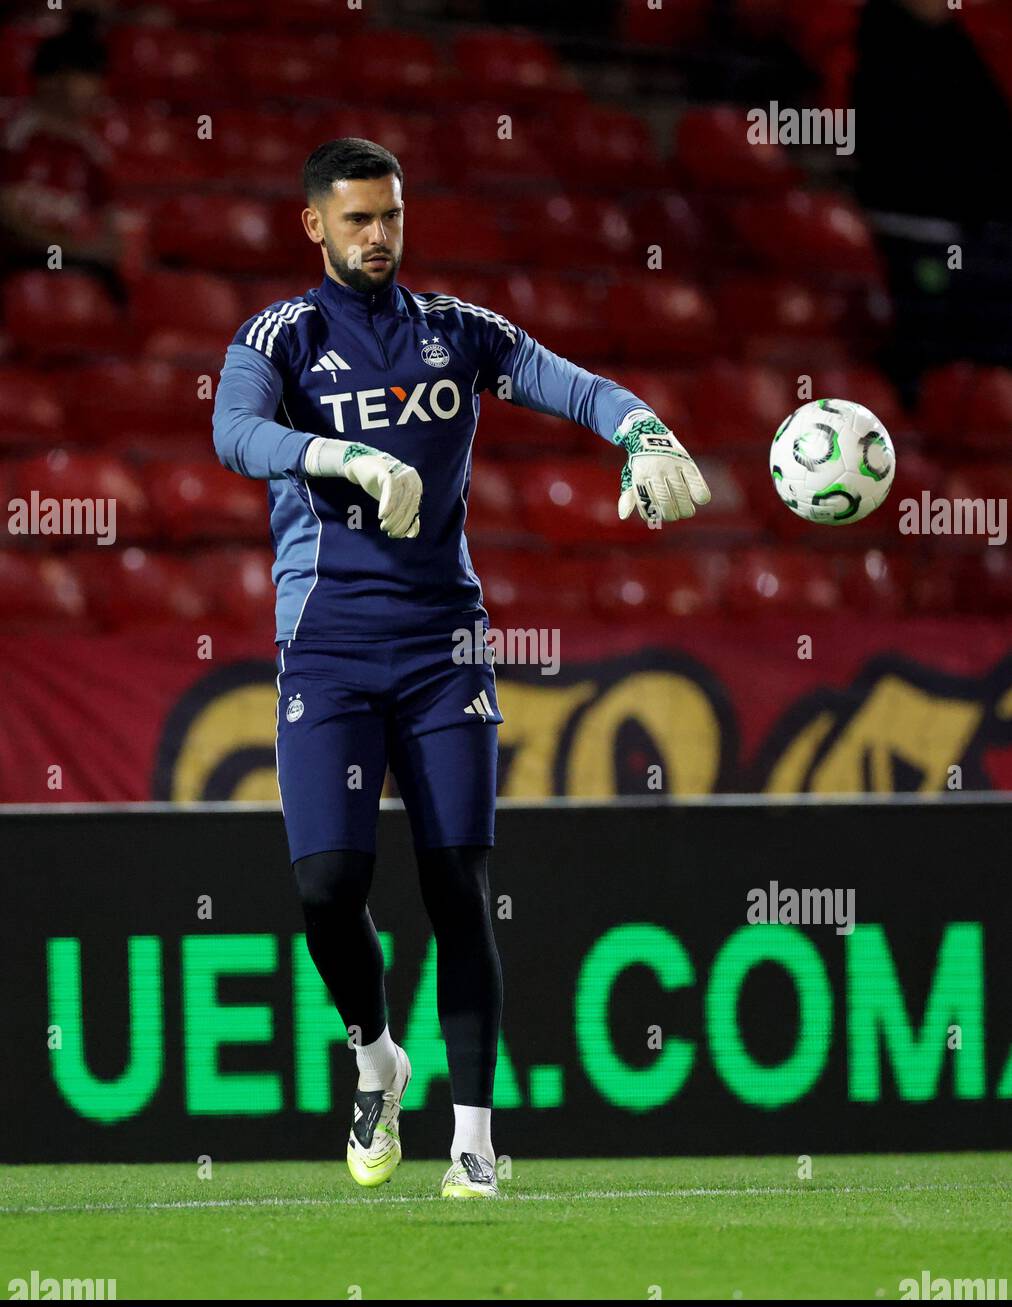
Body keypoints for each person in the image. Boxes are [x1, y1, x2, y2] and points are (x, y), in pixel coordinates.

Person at [212, 137, 709, 1198]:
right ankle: (375, 1059)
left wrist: (641, 429)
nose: (378, 235)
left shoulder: (457, 330)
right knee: (327, 887)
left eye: (390, 215)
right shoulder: (282, 335)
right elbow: (234, 432)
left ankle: (474, 1141)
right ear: (313, 225)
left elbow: (570, 384)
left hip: (446, 648)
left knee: (459, 886)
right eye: (356, 218)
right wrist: (339, 454)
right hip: (328, 646)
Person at [0, 12, 122, 293]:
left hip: (73, 269)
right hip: (15, 264)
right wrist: (63, 247)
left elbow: (111, 237)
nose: (92, 89)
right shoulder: (10, 134)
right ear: (51, 81)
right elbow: (6, 217)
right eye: (84, 76)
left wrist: (85, 251)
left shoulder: (94, 154)